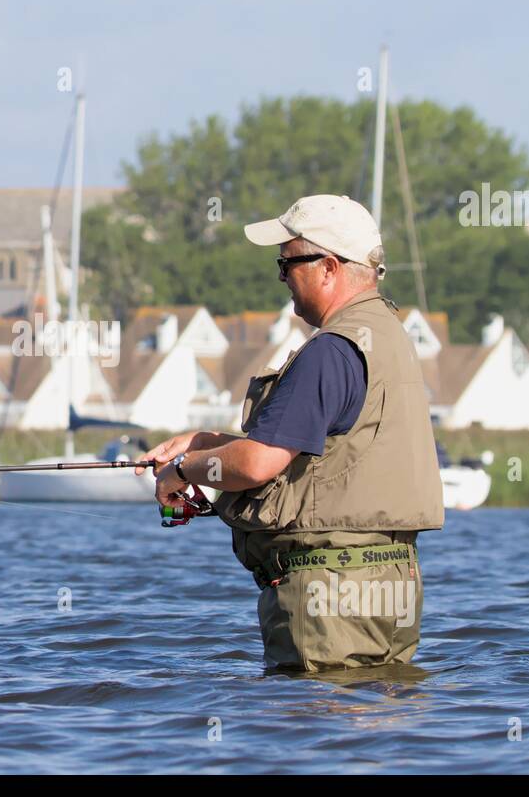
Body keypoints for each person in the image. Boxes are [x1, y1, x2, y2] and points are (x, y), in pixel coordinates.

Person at [137, 195, 444, 671]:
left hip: (329, 596)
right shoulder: (387, 338)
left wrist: (182, 470)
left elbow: (259, 463)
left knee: (310, 732)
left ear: (327, 267)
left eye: (287, 263)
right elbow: (332, 453)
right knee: (379, 726)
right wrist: (205, 444)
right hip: (391, 586)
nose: (281, 277)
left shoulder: (331, 352)